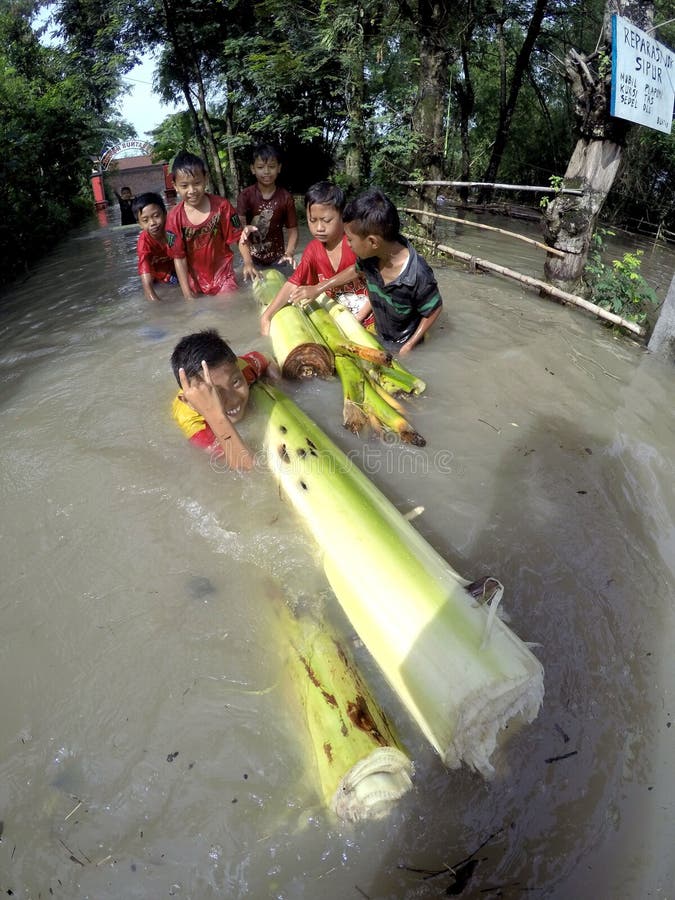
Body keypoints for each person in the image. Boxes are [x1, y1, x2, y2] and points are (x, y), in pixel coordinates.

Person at [260, 181, 369, 336]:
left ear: (342, 215)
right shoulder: (312, 250)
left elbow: (378, 283)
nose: (319, 228)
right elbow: (293, 283)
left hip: (367, 318)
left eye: (326, 221)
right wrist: (267, 315)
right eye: (312, 220)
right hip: (340, 318)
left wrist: (359, 318)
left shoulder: (355, 244)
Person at [342, 188, 443, 355]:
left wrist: (409, 345)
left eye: (350, 239)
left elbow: (434, 309)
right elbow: (355, 271)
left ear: (373, 242)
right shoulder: (368, 257)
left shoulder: (418, 274)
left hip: (404, 341)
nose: (347, 244)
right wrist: (319, 287)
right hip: (381, 331)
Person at [170, 329, 278, 471]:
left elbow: (267, 359)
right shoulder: (194, 424)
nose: (233, 400)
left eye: (235, 382)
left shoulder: (243, 369)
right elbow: (247, 468)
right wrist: (216, 416)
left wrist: (279, 384)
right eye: (217, 393)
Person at [165, 151, 258, 299]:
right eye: (184, 185)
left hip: (223, 276)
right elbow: (179, 258)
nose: (192, 191)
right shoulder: (173, 218)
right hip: (194, 282)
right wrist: (187, 295)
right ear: (175, 186)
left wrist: (248, 262)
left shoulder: (222, 206)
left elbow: (239, 237)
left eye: (197, 183)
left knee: (229, 307)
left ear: (206, 179)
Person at [237, 143, 298, 273]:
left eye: (271, 167)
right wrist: (248, 262)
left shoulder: (286, 197)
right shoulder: (245, 196)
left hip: (278, 258)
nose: (266, 171)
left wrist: (289, 253)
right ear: (253, 169)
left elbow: (293, 231)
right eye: (260, 167)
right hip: (251, 257)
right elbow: (239, 232)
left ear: (279, 168)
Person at [132, 192, 178, 302]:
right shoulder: (144, 243)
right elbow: (146, 279)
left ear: (165, 213)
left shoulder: (174, 231)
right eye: (145, 220)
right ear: (140, 224)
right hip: (160, 277)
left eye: (156, 216)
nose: (152, 223)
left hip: (177, 269)